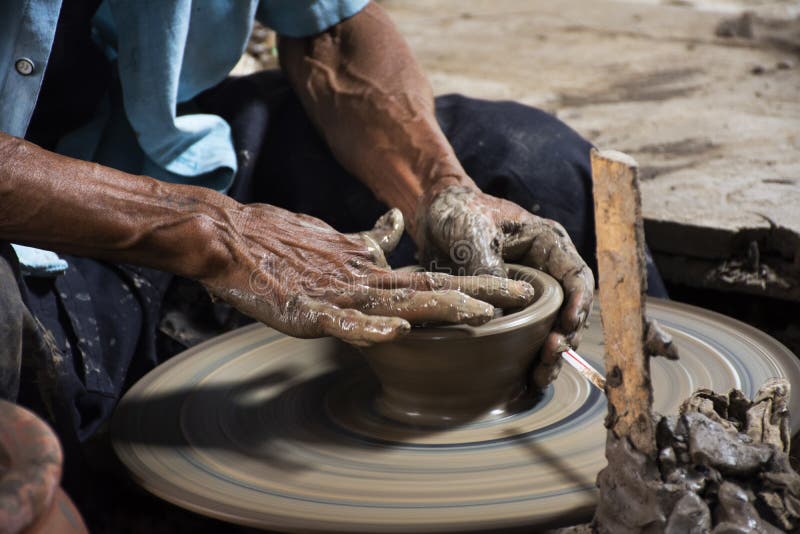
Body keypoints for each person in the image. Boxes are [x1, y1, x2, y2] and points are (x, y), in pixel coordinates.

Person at [0, 0, 663, 524]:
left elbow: (334, 34)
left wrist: (438, 189)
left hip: (156, 145)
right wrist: (210, 232)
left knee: (537, 169)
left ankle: (667, 451)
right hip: (24, 216)